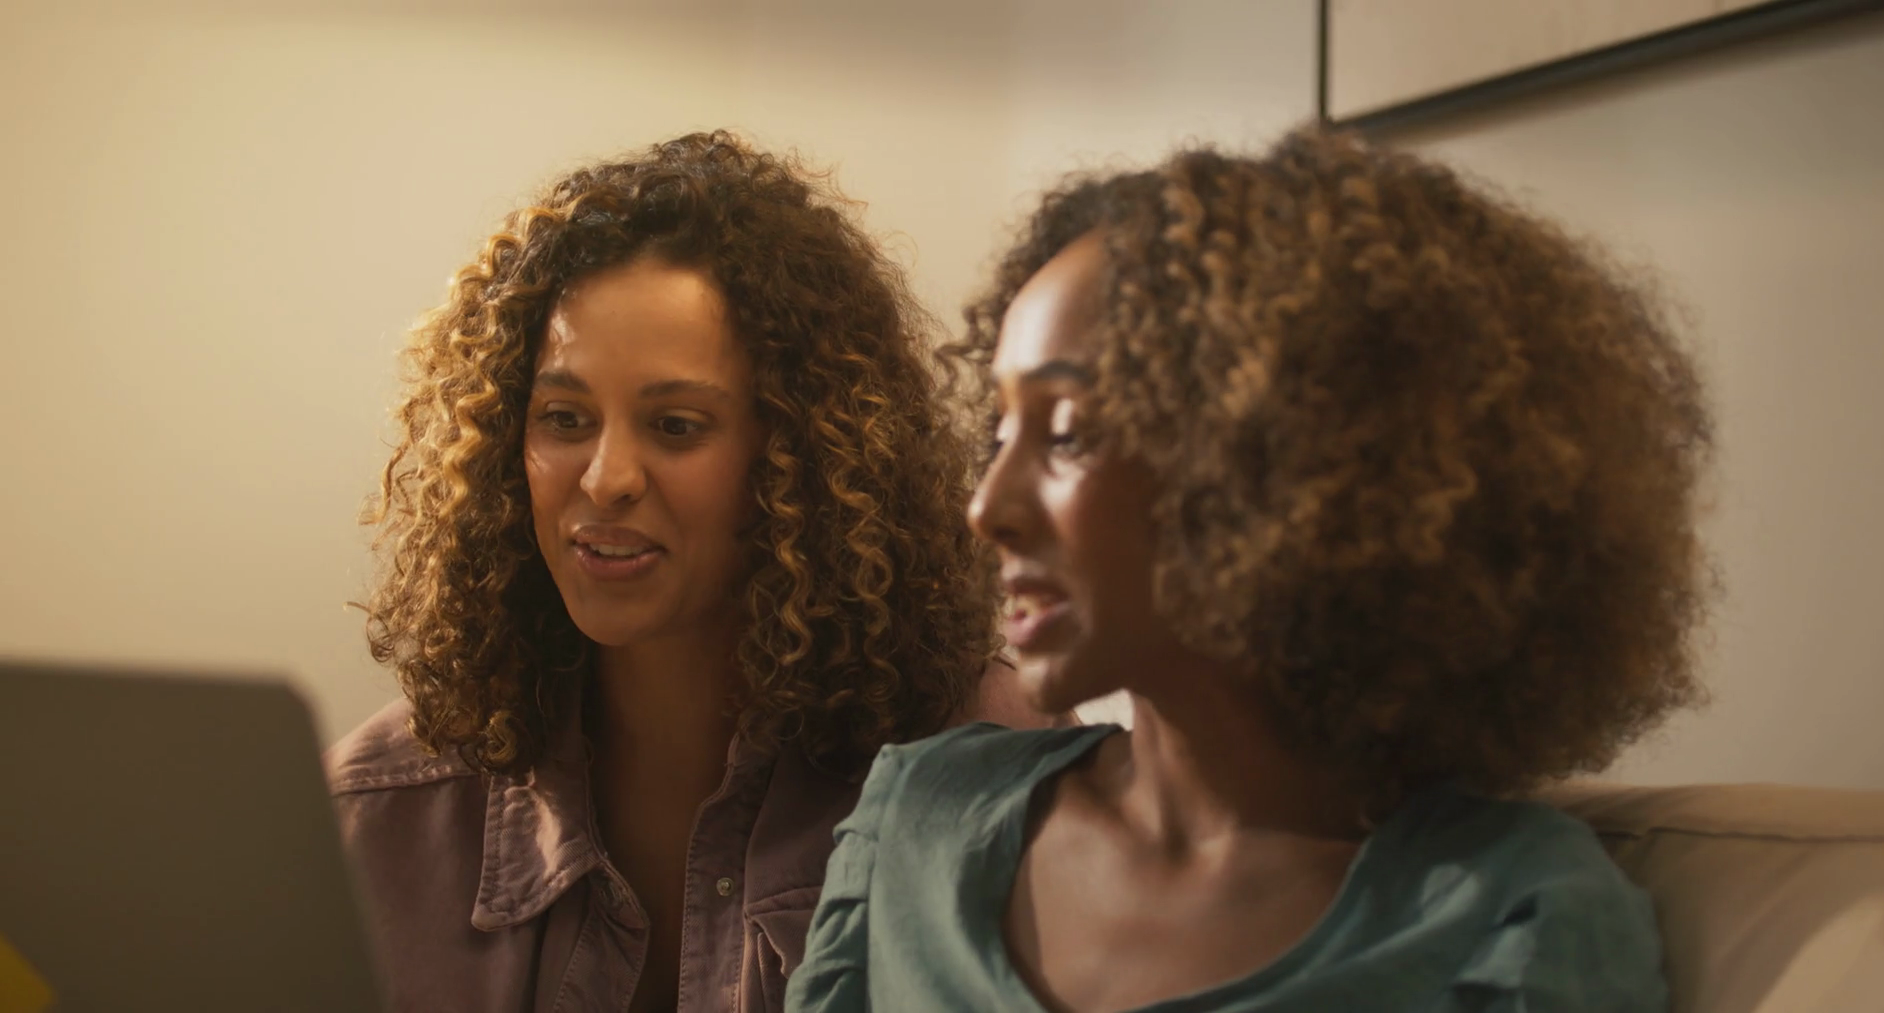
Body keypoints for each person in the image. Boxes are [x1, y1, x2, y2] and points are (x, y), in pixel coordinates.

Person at [788, 127, 1713, 1012]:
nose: (987, 506)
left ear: (1289, 468)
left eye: (1067, 433)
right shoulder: (918, 818)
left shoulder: (1507, 921)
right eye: (998, 435)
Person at [324, 131, 1053, 1013]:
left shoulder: (996, 772)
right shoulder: (374, 813)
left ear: (799, 457)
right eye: (564, 418)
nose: (606, 479)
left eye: (675, 426)